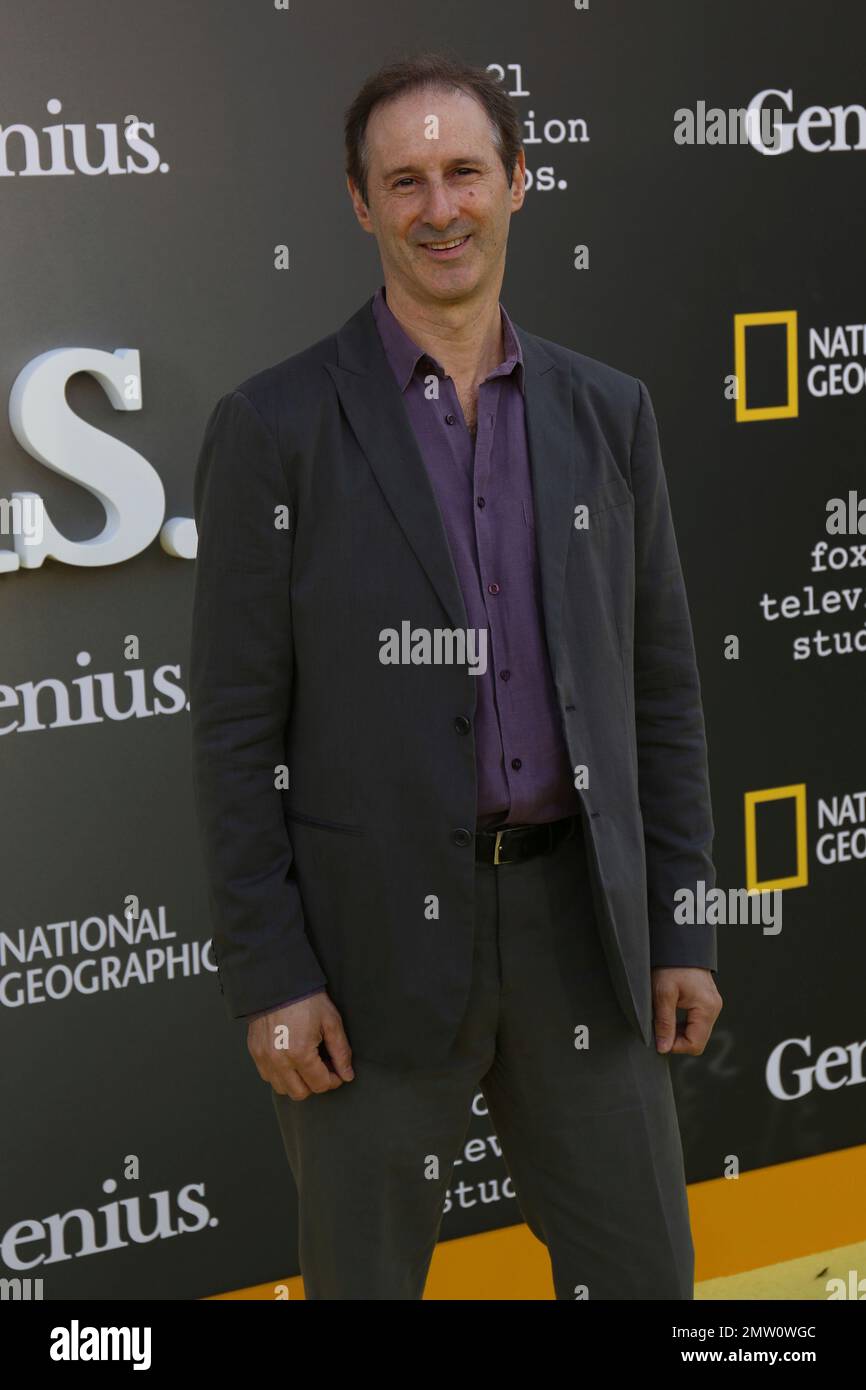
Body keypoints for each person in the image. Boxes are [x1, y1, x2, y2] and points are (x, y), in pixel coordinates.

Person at [189, 51, 723, 1301]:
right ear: (360, 203)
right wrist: (272, 975)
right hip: (365, 949)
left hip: (581, 931)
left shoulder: (609, 413)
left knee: (644, 1280)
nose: (441, 207)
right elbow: (229, 730)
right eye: (406, 179)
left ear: (519, 182)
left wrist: (681, 920)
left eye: (465, 171)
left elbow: (661, 690)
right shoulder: (273, 429)